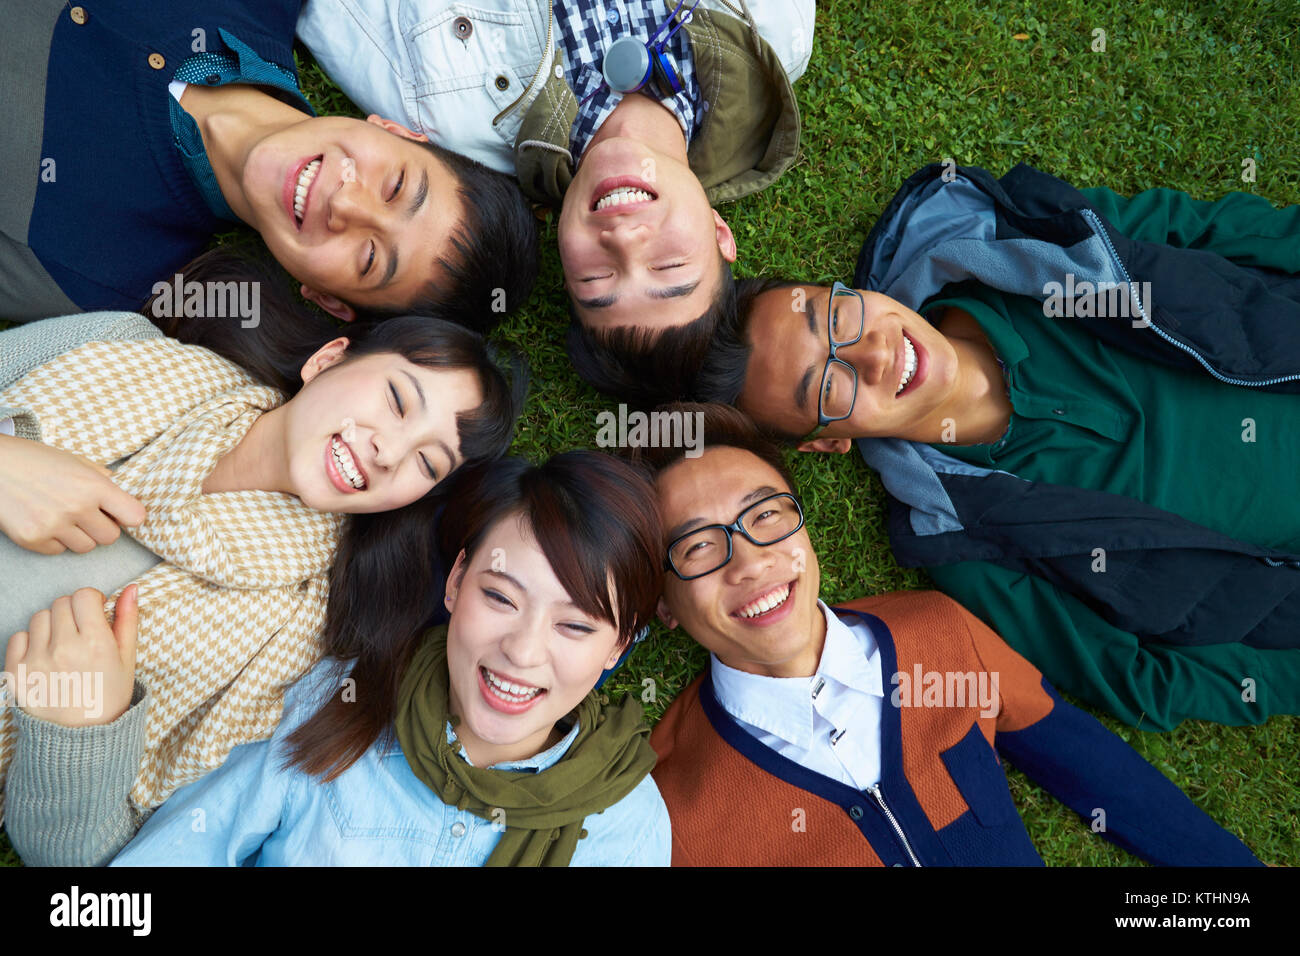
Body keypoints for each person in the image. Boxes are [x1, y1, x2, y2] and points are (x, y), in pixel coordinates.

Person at [689, 162, 1300, 730]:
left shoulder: (1022, 242)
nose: (874, 354)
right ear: (830, 444)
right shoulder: (966, 544)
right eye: (828, 387)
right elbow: (1138, 678)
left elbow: (1196, 228)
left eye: (836, 320)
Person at [634, 402, 1261, 866]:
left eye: (765, 514)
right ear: (661, 605)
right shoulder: (669, 806)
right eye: (695, 547)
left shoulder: (935, 631)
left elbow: (1098, 772)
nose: (749, 562)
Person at [0, 296, 523, 840]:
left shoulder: (293, 644)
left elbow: (84, 857)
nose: (389, 452)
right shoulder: (119, 346)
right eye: (397, 400)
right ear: (327, 359)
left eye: (426, 462)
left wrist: (79, 737)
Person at [11, 452, 671, 867]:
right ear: (456, 582)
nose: (524, 651)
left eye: (576, 625)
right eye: (500, 596)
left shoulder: (624, 827)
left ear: (618, 645)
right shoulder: (335, 702)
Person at [296, 0, 815, 394]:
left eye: (596, 278)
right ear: (719, 231)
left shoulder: (445, 120)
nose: (625, 238)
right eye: (669, 266)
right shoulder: (775, 35)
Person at [2, 0, 538, 328]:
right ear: (395, 129)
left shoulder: (80, 273)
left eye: (370, 258)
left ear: (327, 299)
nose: (346, 202)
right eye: (395, 185)